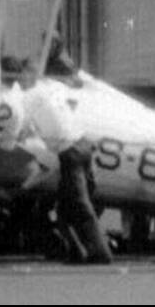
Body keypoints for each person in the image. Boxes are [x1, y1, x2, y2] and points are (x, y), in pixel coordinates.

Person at [21, 74, 111, 265]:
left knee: (80, 204)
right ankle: (77, 251)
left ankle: (100, 252)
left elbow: (21, 129)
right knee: (65, 208)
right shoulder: (50, 87)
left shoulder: (27, 98)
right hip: (83, 144)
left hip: (69, 151)